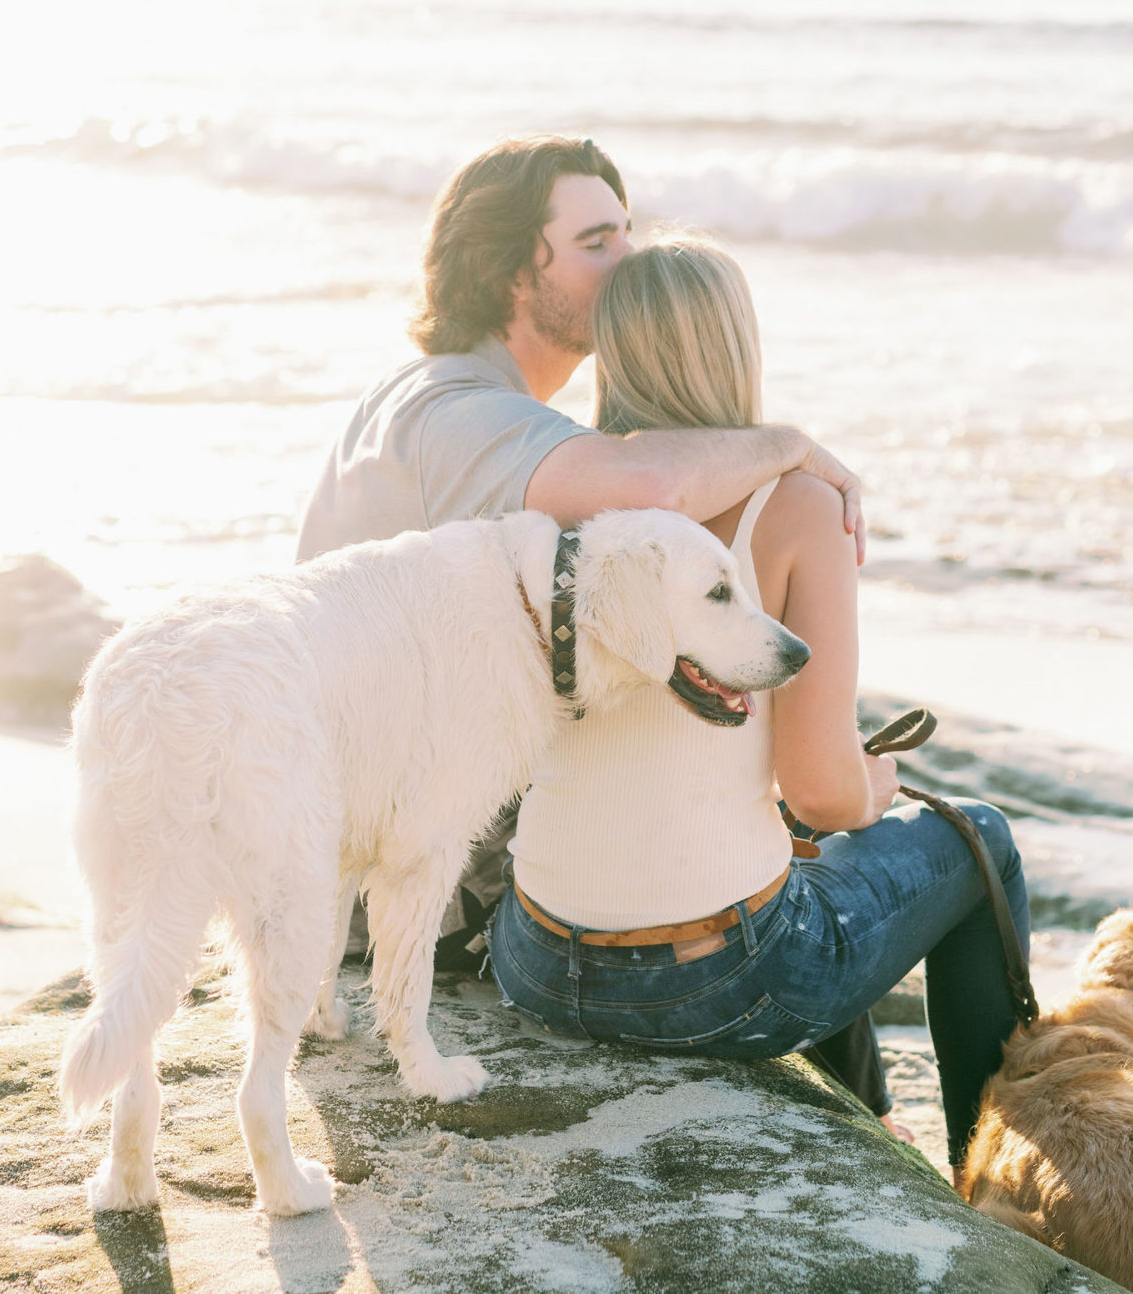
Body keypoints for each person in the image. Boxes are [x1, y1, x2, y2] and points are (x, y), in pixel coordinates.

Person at [488, 237, 1033, 1176]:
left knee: (787, 856)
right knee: (974, 839)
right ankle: (983, 1176)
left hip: (534, 960)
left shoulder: (557, 490)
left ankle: (862, 1113)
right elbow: (822, 795)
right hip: (708, 990)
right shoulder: (791, 510)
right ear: (737, 348)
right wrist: (876, 782)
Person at [294, 134, 874, 983]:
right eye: (596, 243)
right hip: (393, 887)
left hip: (364, 836)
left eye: (626, 233)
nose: (627, 261)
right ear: (509, 275)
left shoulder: (436, 396)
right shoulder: (467, 416)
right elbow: (650, 482)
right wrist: (788, 443)